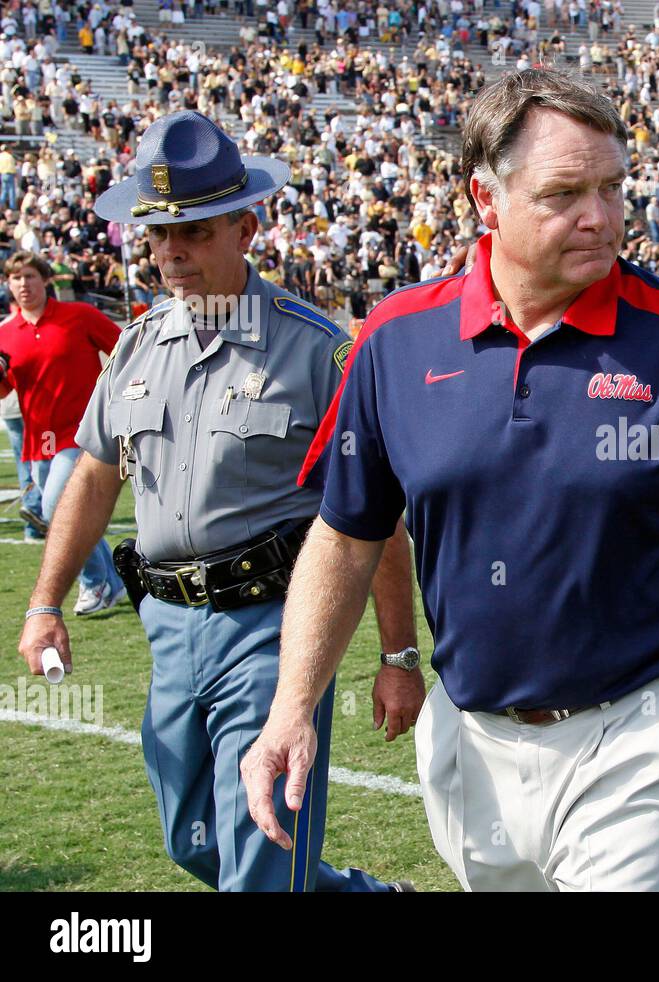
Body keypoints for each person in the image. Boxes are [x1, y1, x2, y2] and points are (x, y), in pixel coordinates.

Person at [240, 69, 659, 892]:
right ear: (485, 200)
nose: (601, 216)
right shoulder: (396, 341)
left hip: (641, 732)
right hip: (470, 739)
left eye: (613, 187)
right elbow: (346, 538)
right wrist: (291, 704)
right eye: (564, 194)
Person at [16, 111, 424, 893]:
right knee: (192, 843)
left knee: (260, 862)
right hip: (167, 633)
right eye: (159, 235)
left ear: (246, 227)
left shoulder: (313, 350)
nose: (172, 252)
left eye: (196, 232)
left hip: (274, 632)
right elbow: (95, 477)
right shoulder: (137, 346)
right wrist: (45, 601)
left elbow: (377, 517)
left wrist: (398, 656)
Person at [0, 250, 126, 612]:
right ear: (8, 285)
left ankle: (95, 584)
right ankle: (112, 582)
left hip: (83, 431)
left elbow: (124, 351)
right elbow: (5, 390)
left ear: (45, 281)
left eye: (30, 276)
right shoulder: (6, 334)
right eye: (16, 278)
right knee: (71, 512)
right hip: (40, 438)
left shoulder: (79, 315)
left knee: (57, 504)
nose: (24, 284)